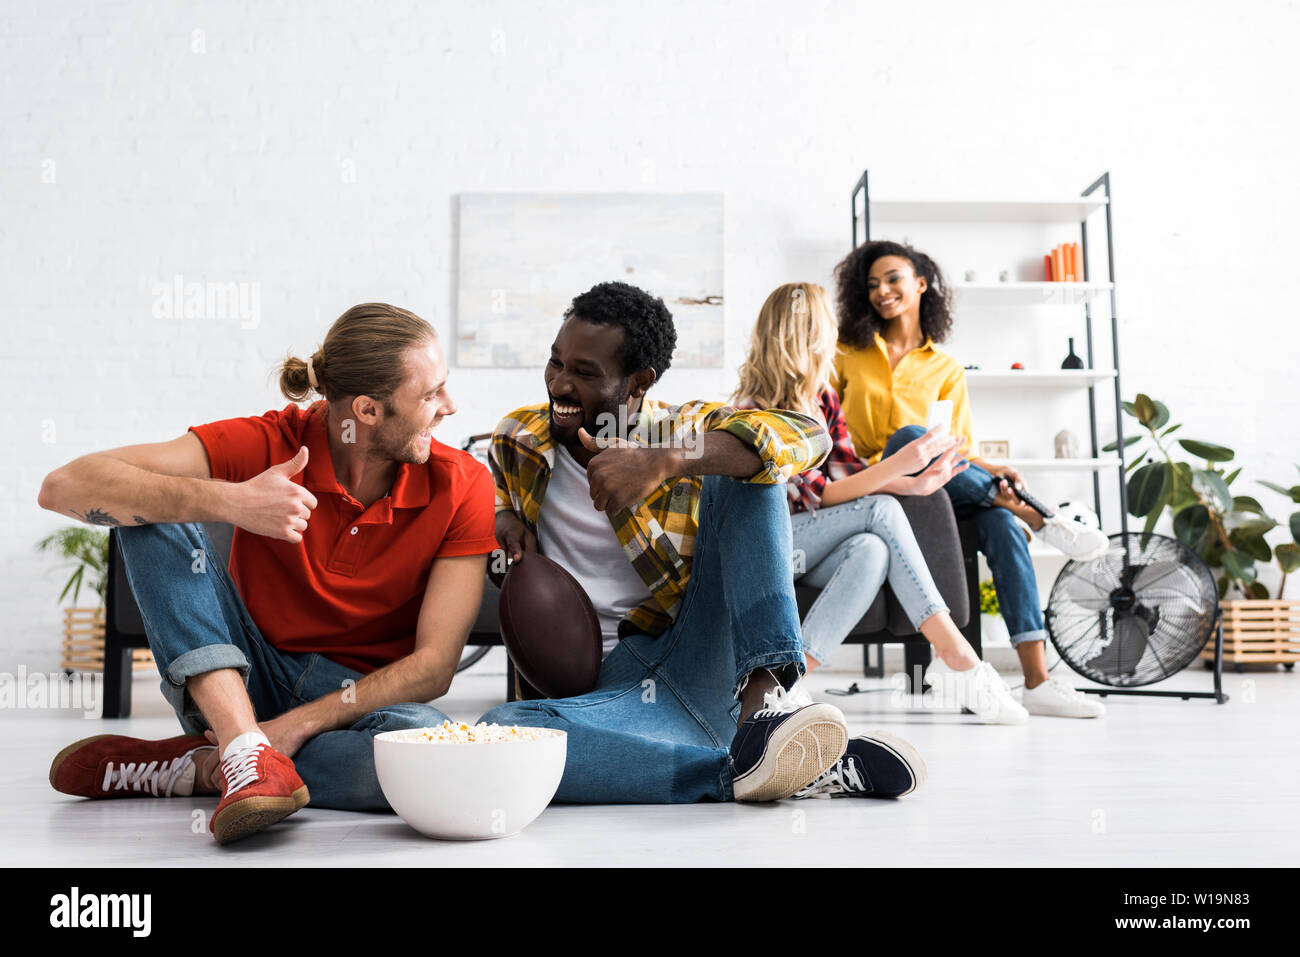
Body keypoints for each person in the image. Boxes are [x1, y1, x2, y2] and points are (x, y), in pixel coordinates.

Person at [39, 303, 498, 844]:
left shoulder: (463, 483)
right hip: (237, 677)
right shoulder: (269, 442)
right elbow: (62, 486)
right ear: (369, 410)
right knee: (146, 513)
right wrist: (233, 502)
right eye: (430, 394)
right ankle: (243, 746)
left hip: (355, 699)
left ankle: (221, 763)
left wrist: (295, 726)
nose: (450, 406)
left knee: (423, 747)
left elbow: (434, 667)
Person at [484, 281, 926, 802]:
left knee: (753, 459)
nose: (558, 384)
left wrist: (665, 460)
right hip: (606, 691)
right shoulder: (518, 438)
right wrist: (503, 518)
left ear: (637, 384)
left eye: (584, 373)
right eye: (555, 363)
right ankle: (762, 768)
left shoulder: (684, 427)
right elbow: (490, 504)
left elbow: (807, 435)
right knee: (501, 732)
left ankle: (765, 709)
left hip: (698, 657)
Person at [734, 283, 1029, 742]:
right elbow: (817, 495)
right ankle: (959, 657)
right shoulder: (754, 408)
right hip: (772, 544)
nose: (833, 338)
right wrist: (900, 468)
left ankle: (786, 689)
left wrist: (915, 482)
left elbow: (847, 476)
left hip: (816, 540)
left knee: (871, 548)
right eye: (827, 328)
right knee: (882, 511)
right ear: (806, 335)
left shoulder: (824, 399)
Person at [831, 241, 1108, 718]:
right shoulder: (844, 355)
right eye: (872, 284)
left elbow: (959, 447)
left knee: (1000, 528)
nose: (882, 291)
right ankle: (1037, 514)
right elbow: (828, 434)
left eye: (893, 278)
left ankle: (1037, 680)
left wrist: (991, 471)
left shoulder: (945, 367)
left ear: (921, 284)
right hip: (873, 484)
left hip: (935, 487)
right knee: (911, 437)